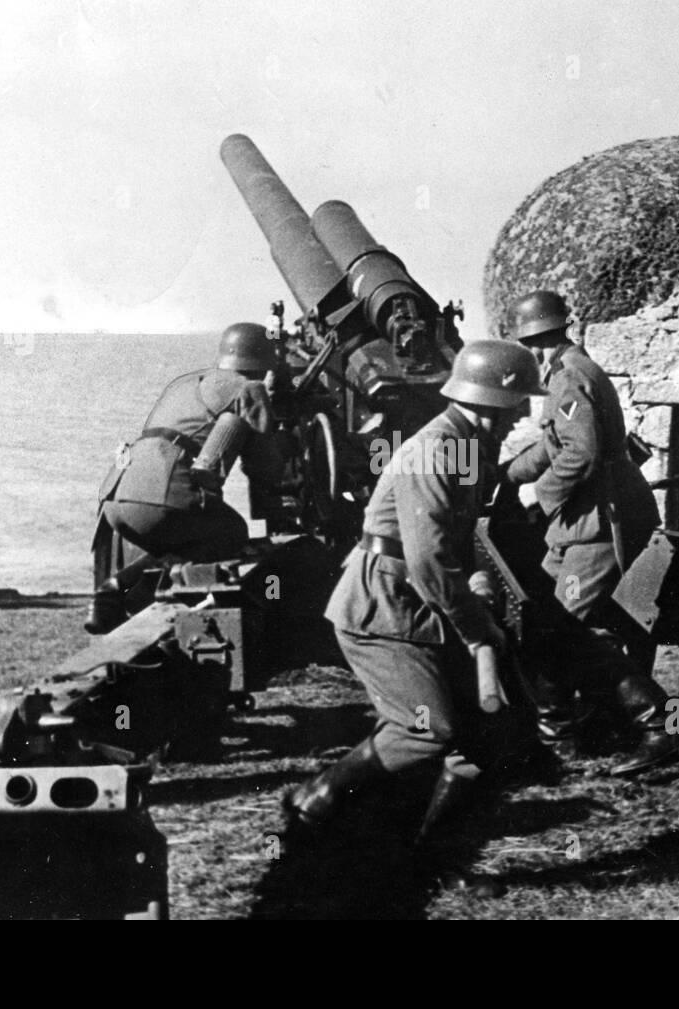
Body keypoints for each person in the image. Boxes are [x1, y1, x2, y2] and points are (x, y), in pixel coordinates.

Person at [284, 339, 542, 893]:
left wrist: (475, 583)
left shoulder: (468, 442)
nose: (524, 412)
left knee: (491, 734)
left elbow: (457, 535)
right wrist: (477, 630)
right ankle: (320, 796)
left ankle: (439, 860)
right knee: (425, 729)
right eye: (519, 401)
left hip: (423, 603)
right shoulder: (437, 449)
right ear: (493, 400)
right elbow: (426, 559)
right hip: (383, 608)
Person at [500, 289, 678, 776]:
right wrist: (510, 472)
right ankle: (569, 734)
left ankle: (655, 725)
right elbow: (555, 443)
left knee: (568, 628)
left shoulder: (570, 377)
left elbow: (582, 452)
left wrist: (536, 494)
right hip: (583, 521)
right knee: (550, 622)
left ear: (533, 345)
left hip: (598, 523)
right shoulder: (567, 370)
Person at [85, 323, 289, 634]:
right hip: (162, 502)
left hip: (117, 497)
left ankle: (114, 589)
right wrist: (272, 424)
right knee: (231, 531)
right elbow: (268, 472)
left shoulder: (184, 383)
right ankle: (181, 604)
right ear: (265, 365)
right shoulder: (250, 389)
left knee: (181, 539)